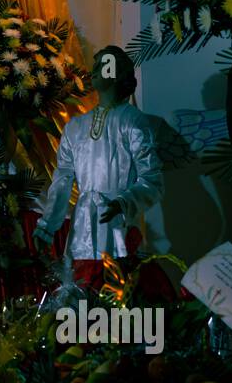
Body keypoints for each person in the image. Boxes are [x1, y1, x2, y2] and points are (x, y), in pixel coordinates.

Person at [33, 46, 163, 287]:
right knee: (79, 294)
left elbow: (152, 180)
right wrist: (47, 227)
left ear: (118, 73)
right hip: (82, 227)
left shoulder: (133, 121)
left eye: (105, 64)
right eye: (97, 63)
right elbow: (62, 182)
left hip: (117, 225)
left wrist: (124, 202)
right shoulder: (75, 127)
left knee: (117, 291)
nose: (95, 69)